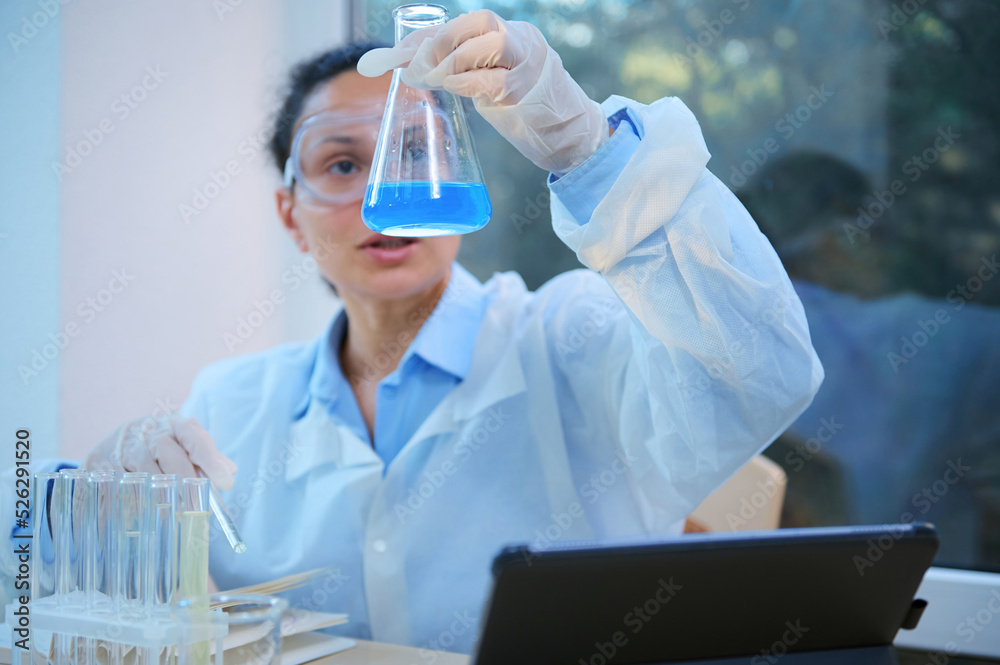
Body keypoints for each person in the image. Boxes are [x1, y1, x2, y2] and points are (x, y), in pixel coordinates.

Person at [2, 10, 823, 652]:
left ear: (457, 170)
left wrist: (589, 148)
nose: (378, 195)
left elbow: (765, 370)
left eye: (409, 150)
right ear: (290, 213)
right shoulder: (231, 400)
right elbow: (67, 608)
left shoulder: (571, 335)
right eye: (340, 164)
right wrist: (80, 510)